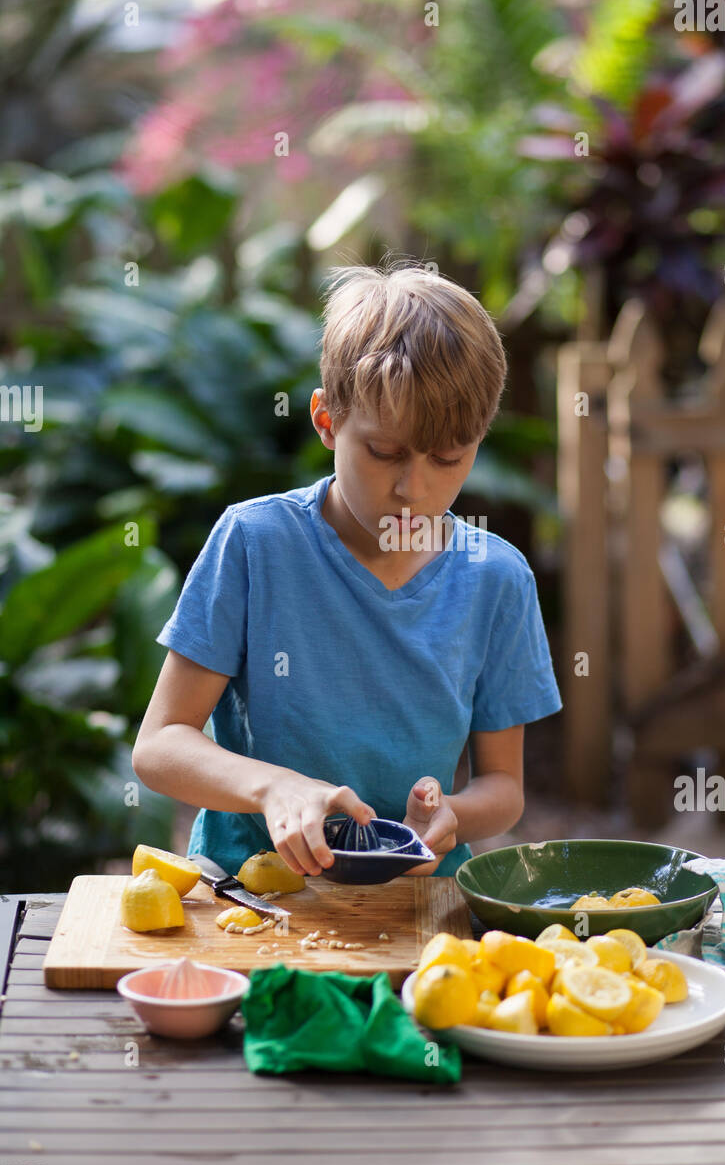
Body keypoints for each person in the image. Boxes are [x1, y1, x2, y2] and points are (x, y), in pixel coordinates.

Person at [132, 261, 562, 880]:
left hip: (418, 902)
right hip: (253, 894)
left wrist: (452, 820)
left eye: (448, 458)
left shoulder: (496, 578)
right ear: (327, 420)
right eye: (385, 452)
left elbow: (502, 786)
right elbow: (160, 745)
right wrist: (272, 789)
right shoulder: (256, 543)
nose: (414, 488)